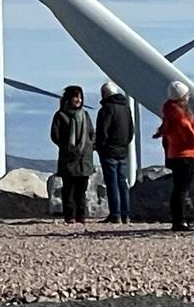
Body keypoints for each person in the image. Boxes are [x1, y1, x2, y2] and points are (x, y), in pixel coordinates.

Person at [154, 81, 194, 232]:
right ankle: (179, 221)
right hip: (186, 154)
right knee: (182, 189)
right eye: (186, 95)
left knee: (178, 189)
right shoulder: (180, 115)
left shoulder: (169, 111)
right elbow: (190, 134)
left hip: (175, 154)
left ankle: (179, 219)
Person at [51, 85, 96, 224]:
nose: (78, 100)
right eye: (75, 97)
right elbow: (55, 135)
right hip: (68, 159)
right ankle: (69, 216)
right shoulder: (60, 116)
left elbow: (91, 133)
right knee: (69, 189)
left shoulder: (85, 115)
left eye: (80, 97)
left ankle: (81, 216)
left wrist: (89, 146)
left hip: (84, 160)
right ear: (69, 98)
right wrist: (66, 147)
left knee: (81, 191)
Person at [95, 82, 133, 223]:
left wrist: (100, 147)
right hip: (122, 151)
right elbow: (131, 131)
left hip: (109, 151)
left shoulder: (106, 109)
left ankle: (115, 214)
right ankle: (126, 214)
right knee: (123, 183)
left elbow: (102, 132)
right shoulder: (126, 109)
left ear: (105, 94)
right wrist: (124, 144)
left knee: (112, 183)